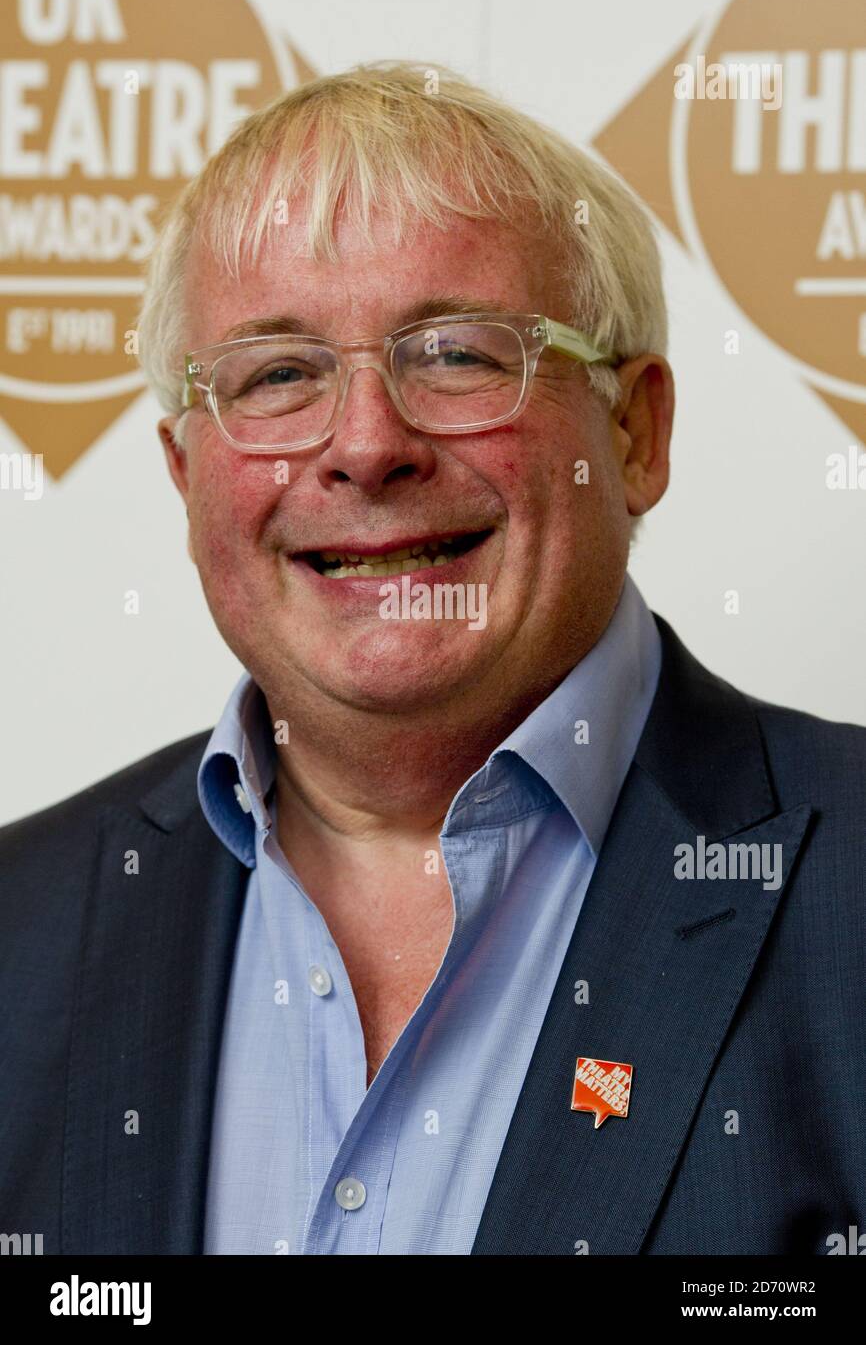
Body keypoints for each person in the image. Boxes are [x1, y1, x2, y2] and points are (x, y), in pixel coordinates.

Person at [1, 61, 863, 1257]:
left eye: (456, 354)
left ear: (635, 432)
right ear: (186, 475)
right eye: (279, 374)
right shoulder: (21, 928)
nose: (364, 444)